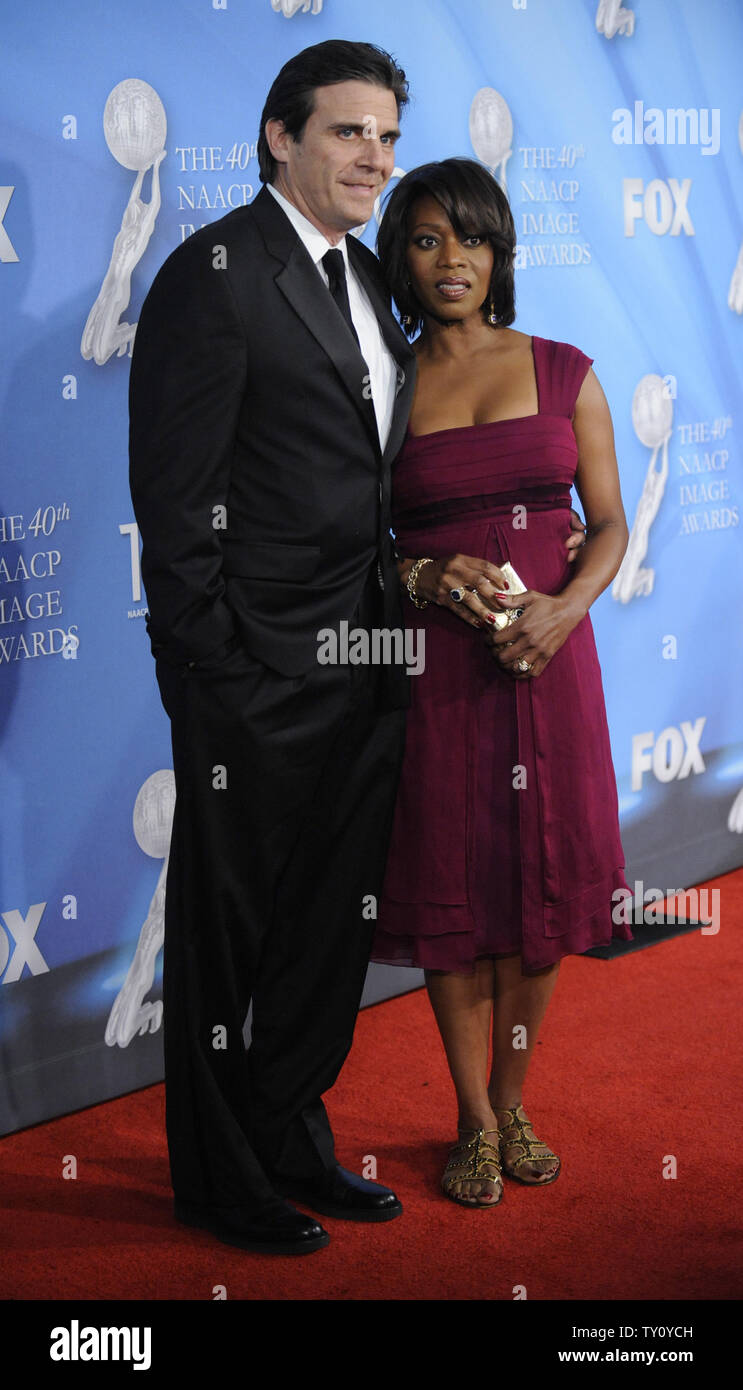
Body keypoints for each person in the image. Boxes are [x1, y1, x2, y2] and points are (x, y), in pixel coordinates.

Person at [128, 40, 418, 1255]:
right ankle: (215, 1174)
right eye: (349, 131)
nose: (373, 157)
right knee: (225, 935)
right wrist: (212, 680)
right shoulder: (215, 273)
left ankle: (290, 1129)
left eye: (387, 137)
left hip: (365, 662)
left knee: (326, 926)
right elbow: (175, 493)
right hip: (254, 680)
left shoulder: (368, 275)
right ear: (277, 137)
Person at [372, 157, 633, 1208]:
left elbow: (608, 524)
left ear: (499, 254)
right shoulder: (380, 389)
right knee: (452, 889)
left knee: (539, 892)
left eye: (470, 239)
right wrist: (423, 570)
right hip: (435, 673)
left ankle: (514, 1098)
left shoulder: (564, 369)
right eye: (428, 239)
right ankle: (471, 1121)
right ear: (401, 255)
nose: (451, 261)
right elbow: (352, 540)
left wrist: (564, 609)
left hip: (551, 666)